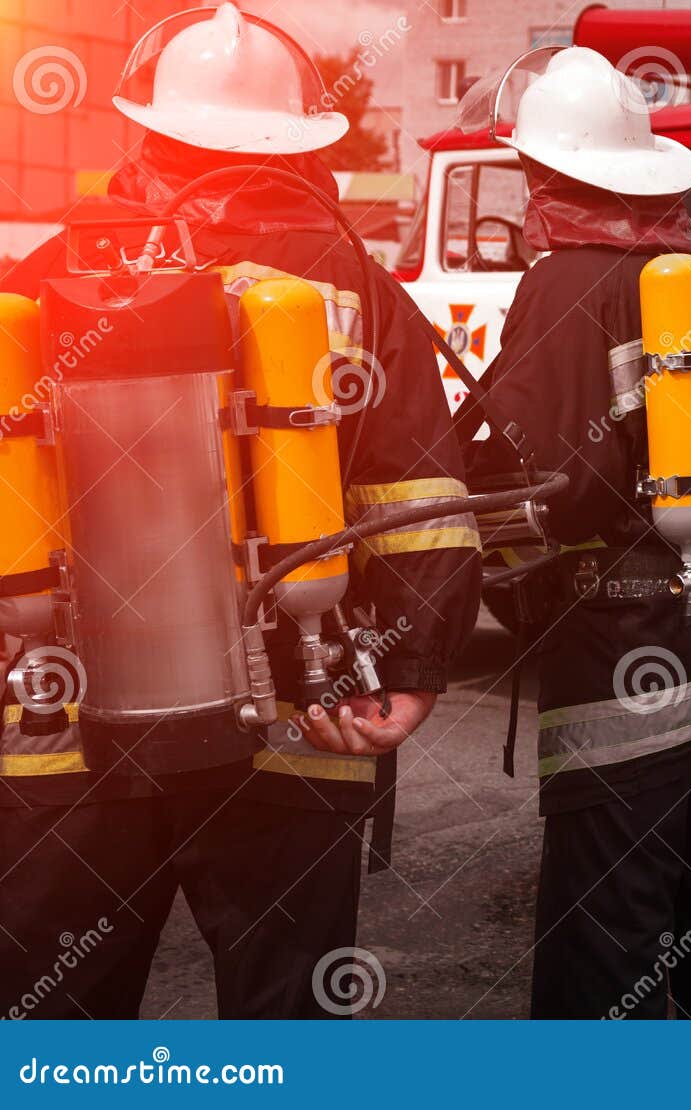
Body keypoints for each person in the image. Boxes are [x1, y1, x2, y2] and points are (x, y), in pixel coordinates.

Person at [0, 3, 481, 1018]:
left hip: (70, 727)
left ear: (148, 131)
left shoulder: (46, 278)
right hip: (304, 711)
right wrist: (414, 666)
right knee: (287, 1016)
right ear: (302, 141)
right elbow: (419, 497)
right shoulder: (356, 283)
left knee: (57, 1018)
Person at [474, 46, 691, 1018]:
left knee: (605, 930)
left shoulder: (568, 282)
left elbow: (550, 486)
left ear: (543, 178)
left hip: (629, 656)